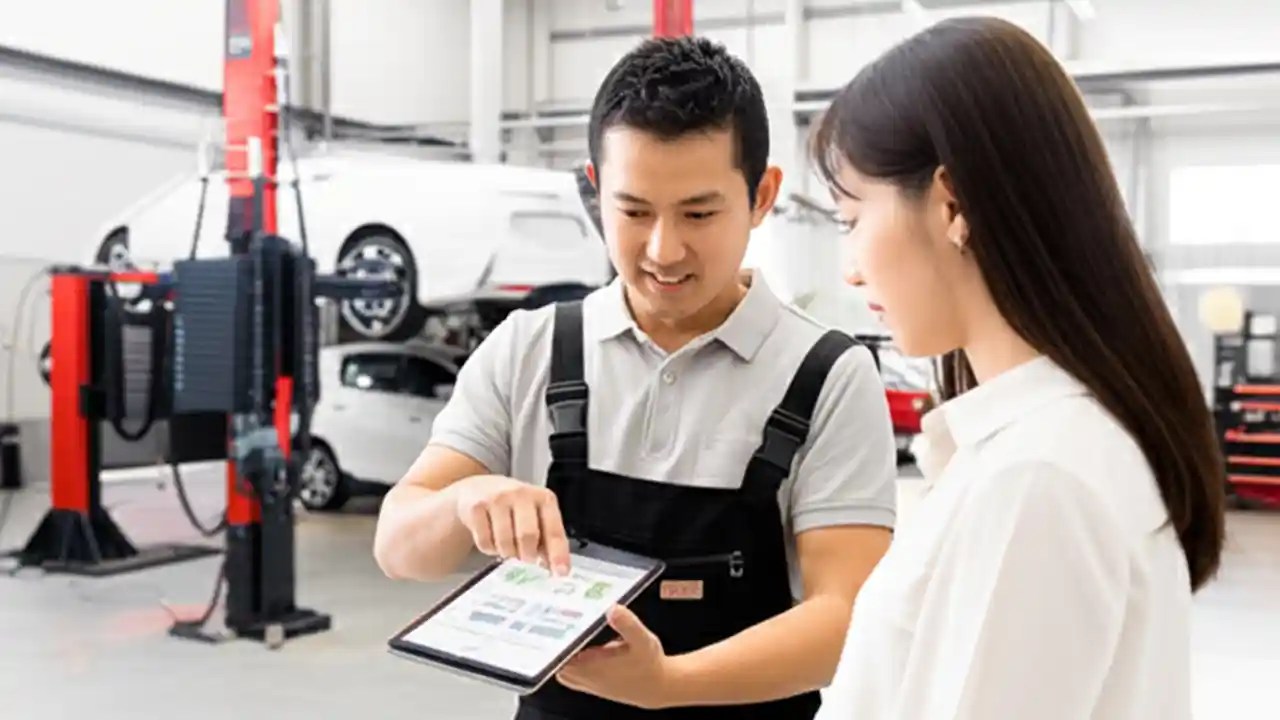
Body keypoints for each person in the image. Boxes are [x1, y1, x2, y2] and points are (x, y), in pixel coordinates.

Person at [373, 36, 897, 719]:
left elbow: (848, 617)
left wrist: (670, 686)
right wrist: (462, 499)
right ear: (595, 188)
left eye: (699, 213)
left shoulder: (827, 376)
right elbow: (398, 547)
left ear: (762, 194)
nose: (663, 250)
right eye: (634, 211)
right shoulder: (530, 349)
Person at [808, 17, 1227, 720]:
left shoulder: (1035, 478)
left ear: (950, 204)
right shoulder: (1053, 446)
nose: (849, 271)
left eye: (850, 219)